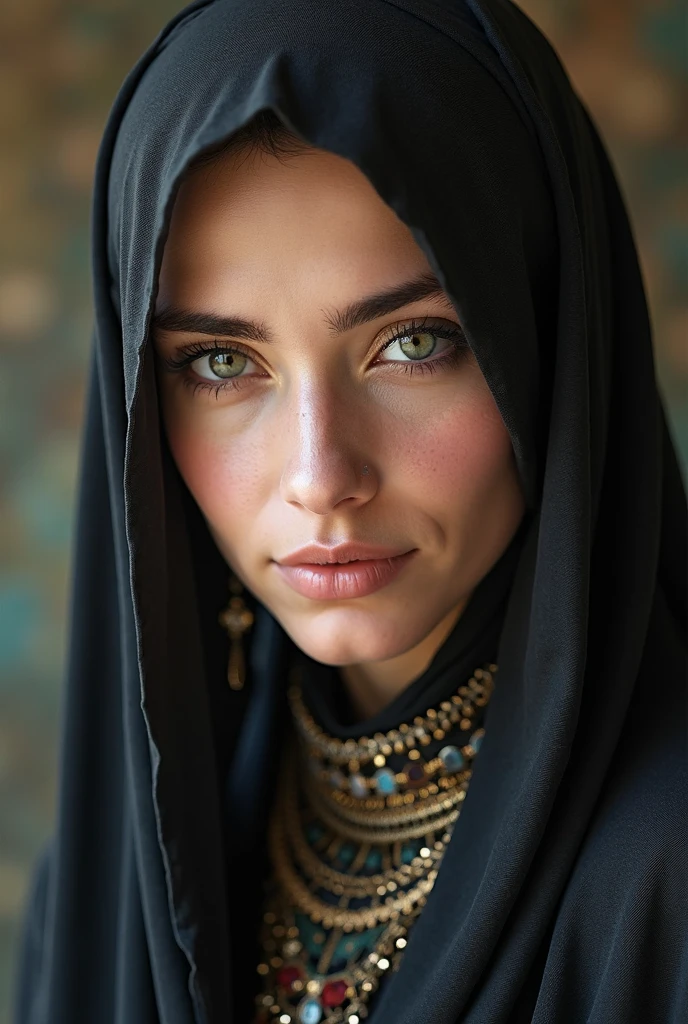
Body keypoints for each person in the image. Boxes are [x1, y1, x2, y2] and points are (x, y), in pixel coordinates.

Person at [13, 1, 687, 1023]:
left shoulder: (664, 880)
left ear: (544, 344)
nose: (321, 474)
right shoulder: (123, 874)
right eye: (222, 363)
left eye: (413, 344)